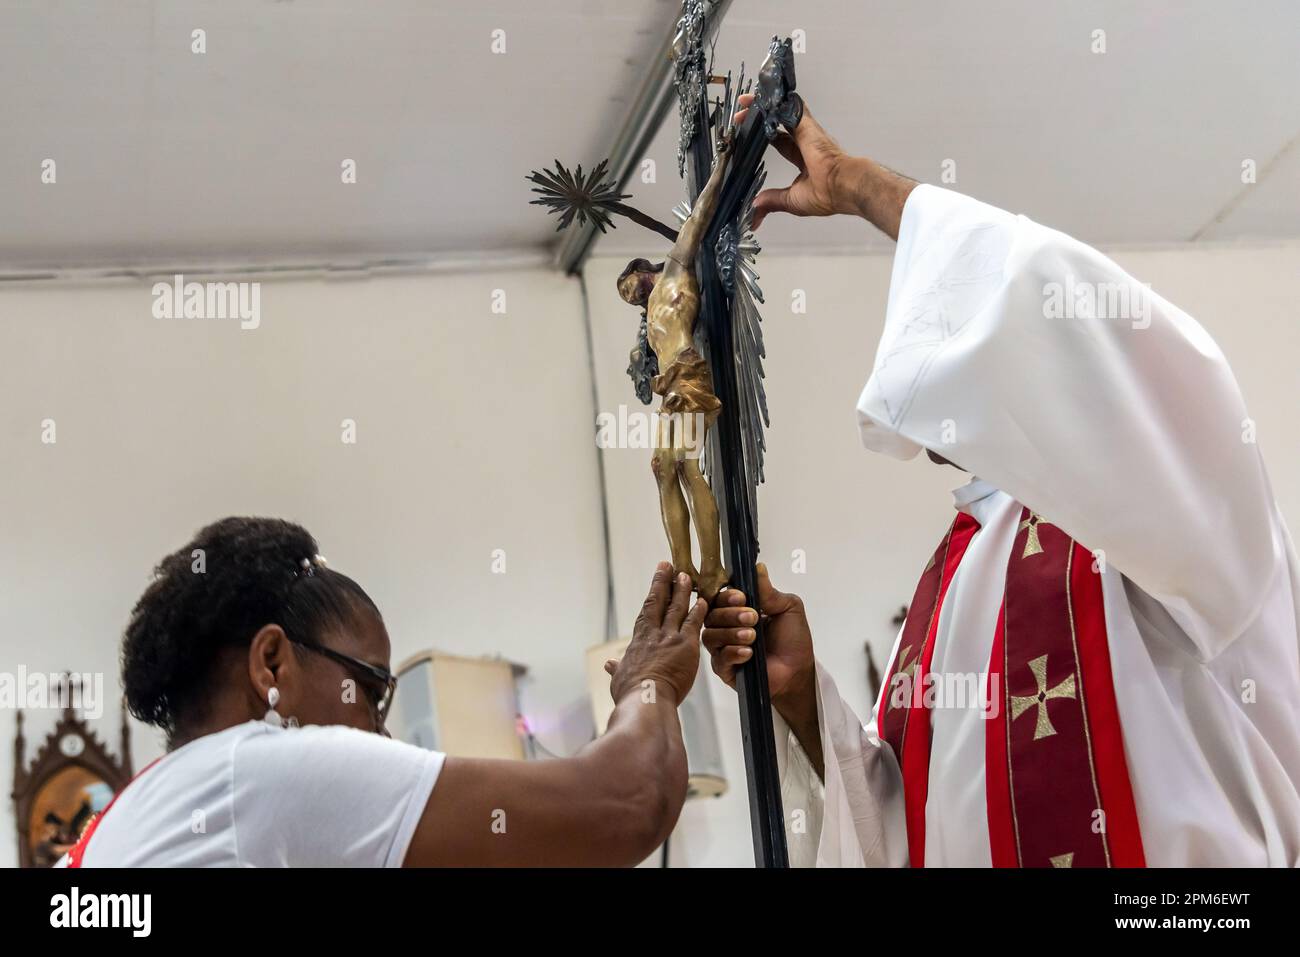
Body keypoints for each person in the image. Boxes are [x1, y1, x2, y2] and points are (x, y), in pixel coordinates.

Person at [702, 94, 1300, 867]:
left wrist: (863, 188)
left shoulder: (1179, 506)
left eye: (976, 331)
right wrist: (800, 698)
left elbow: (1075, 309)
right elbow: (918, 833)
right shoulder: (958, 570)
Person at [62, 517, 705, 867]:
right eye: (370, 689)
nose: (380, 729)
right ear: (272, 666)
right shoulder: (261, 772)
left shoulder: (128, 817)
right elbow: (623, 805)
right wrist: (650, 682)